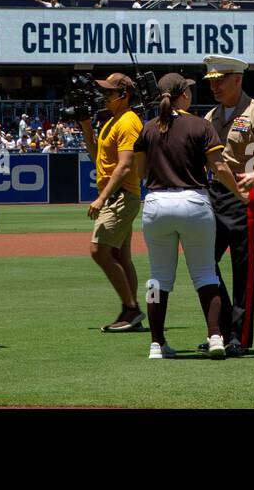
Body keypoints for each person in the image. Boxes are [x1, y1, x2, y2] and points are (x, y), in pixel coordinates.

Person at [135, 72, 234, 360]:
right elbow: (218, 166)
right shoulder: (200, 125)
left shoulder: (148, 128)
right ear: (184, 95)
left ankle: (156, 343)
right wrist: (239, 192)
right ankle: (215, 336)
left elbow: (140, 172)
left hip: (156, 203)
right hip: (193, 202)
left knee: (157, 278)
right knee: (205, 273)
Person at [201, 54, 254, 357]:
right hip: (214, 192)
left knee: (243, 267)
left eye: (220, 80)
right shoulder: (211, 116)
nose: (215, 86)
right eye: (211, 81)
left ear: (238, 79)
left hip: (243, 193)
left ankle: (240, 337)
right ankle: (218, 331)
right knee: (205, 261)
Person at [78, 72, 145, 332]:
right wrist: (85, 126)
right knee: (121, 255)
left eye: (109, 92)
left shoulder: (128, 121)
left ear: (124, 95)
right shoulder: (112, 121)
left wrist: (102, 198)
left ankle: (131, 309)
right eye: (103, 92)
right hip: (119, 196)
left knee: (99, 251)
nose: (104, 96)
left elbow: (127, 164)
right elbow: (98, 156)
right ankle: (132, 312)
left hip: (121, 196)